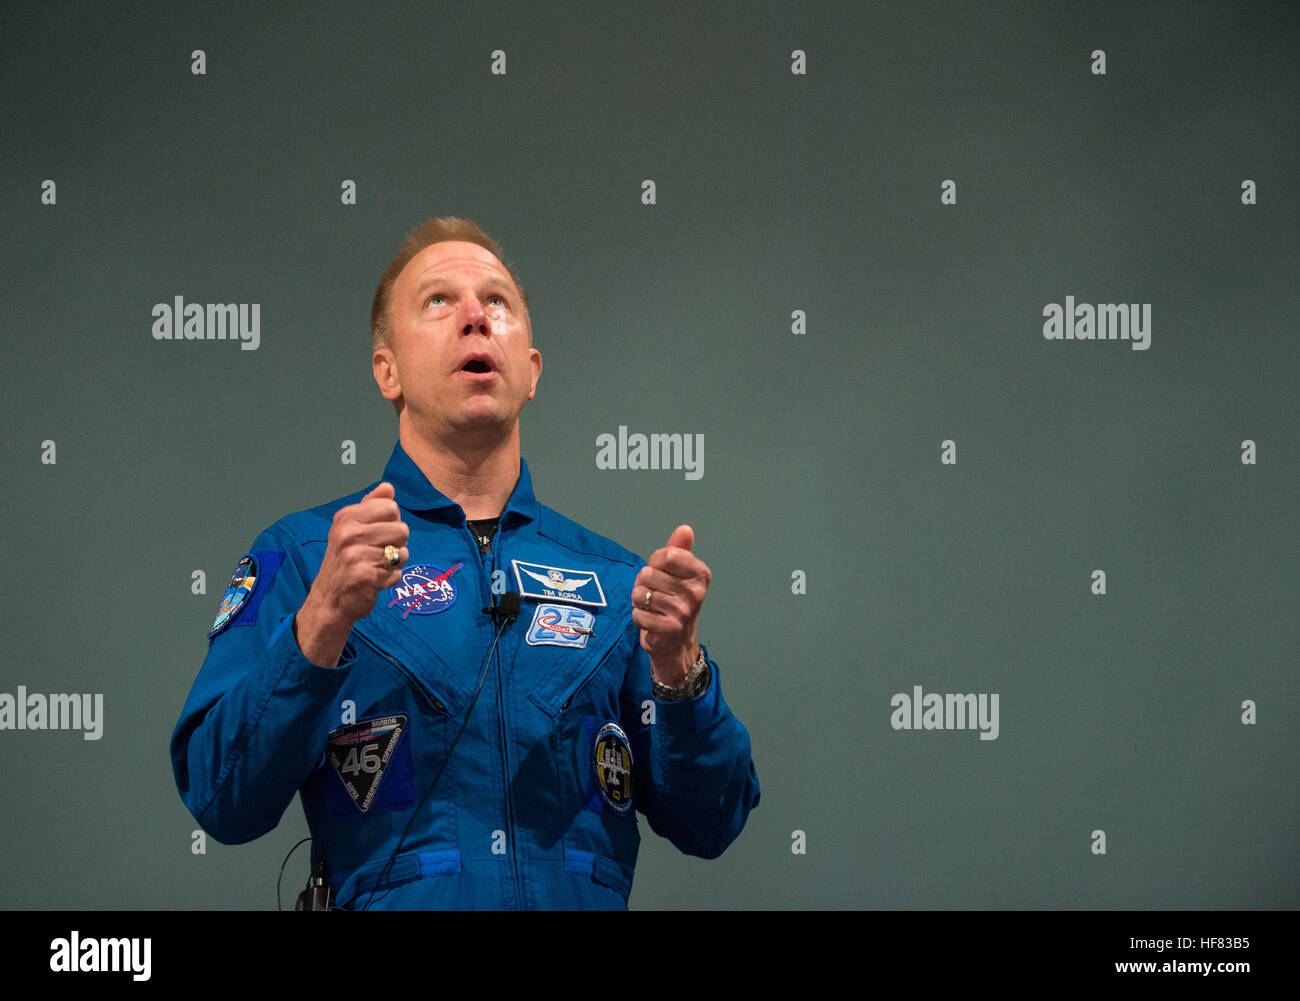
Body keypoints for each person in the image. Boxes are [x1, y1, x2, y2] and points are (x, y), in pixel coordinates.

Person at [170, 217, 760, 909]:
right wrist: (321, 621)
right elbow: (221, 798)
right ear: (386, 370)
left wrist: (681, 673)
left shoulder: (617, 584)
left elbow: (712, 821)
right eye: (438, 301)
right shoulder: (309, 557)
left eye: (498, 302)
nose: (477, 317)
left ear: (532, 370)